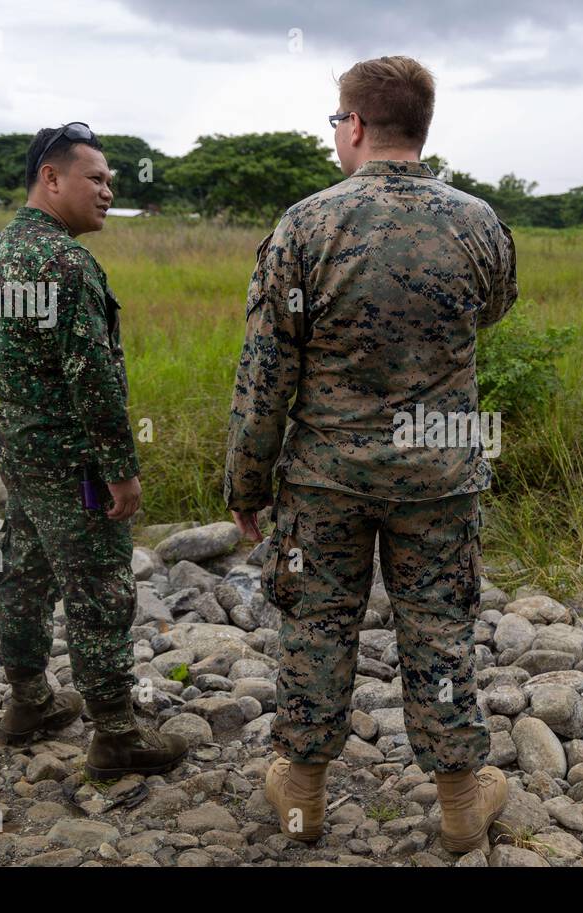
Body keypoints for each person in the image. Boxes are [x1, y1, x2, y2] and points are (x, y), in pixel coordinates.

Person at [223, 56, 519, 851]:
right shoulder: (479, 222)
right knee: (439, 630)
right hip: (439, 474)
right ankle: (461, 801)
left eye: (335, 121)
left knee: (317, 627)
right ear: (422, 126)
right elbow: (488, 312)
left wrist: (245, 481)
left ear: (353, 125)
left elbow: (267, 368)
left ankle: (304, 794)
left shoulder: (305, 225)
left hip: (327, 477)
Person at [0, 123, 187, 779]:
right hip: (71, 457)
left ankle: (29, 701)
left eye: (110, 179)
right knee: (98, 590)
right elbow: (92, 382)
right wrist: (121, 472)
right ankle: (117, 737)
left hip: (20, 443)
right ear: (52, 179)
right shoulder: (68, 264)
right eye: (95, 178)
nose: (107, 190)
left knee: (28, 568)